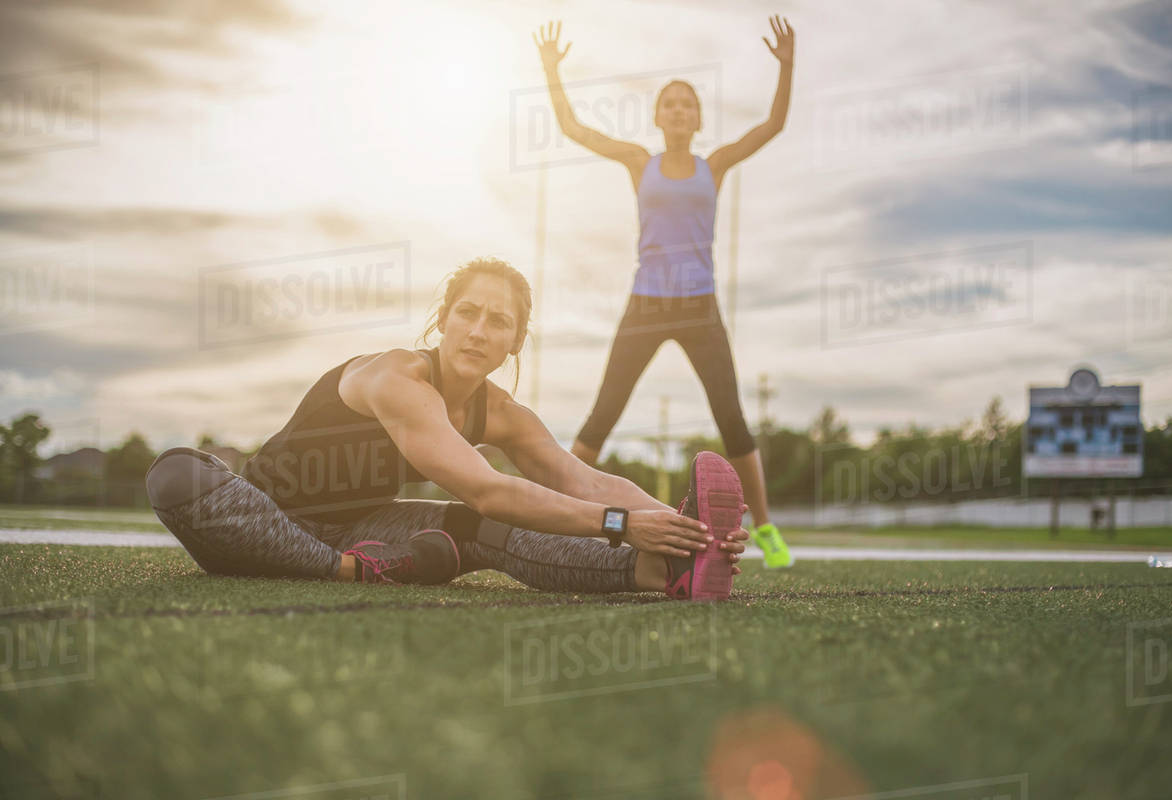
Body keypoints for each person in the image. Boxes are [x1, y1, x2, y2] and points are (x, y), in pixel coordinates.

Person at [145, 258, 749, 600]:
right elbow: (489, 487)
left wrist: (678, 529)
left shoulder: (504, 413)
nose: (480, 331)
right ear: (443, 319)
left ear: (516, 341)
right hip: (266, 523)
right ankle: (350, 572)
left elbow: (578, 480)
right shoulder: (396, 378)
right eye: (468, 312)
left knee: (478, 529)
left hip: (360, 528)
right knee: (176, 473)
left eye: (499, 322)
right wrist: (621, 524)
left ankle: (659, 573)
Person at [533, 17, 796, 568]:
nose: (679, 111)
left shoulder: (714, 165)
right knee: (602, 415)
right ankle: (556, 512)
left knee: (734, 421)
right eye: (670, 104)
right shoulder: (639, 162)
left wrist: (786, 66)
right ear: (658, 117)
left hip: (699, 306)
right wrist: (552, 71)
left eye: (688, 104)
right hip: (647, 304)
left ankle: (767, 529)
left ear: (698, 119)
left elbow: (772, 126)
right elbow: (575, 129)